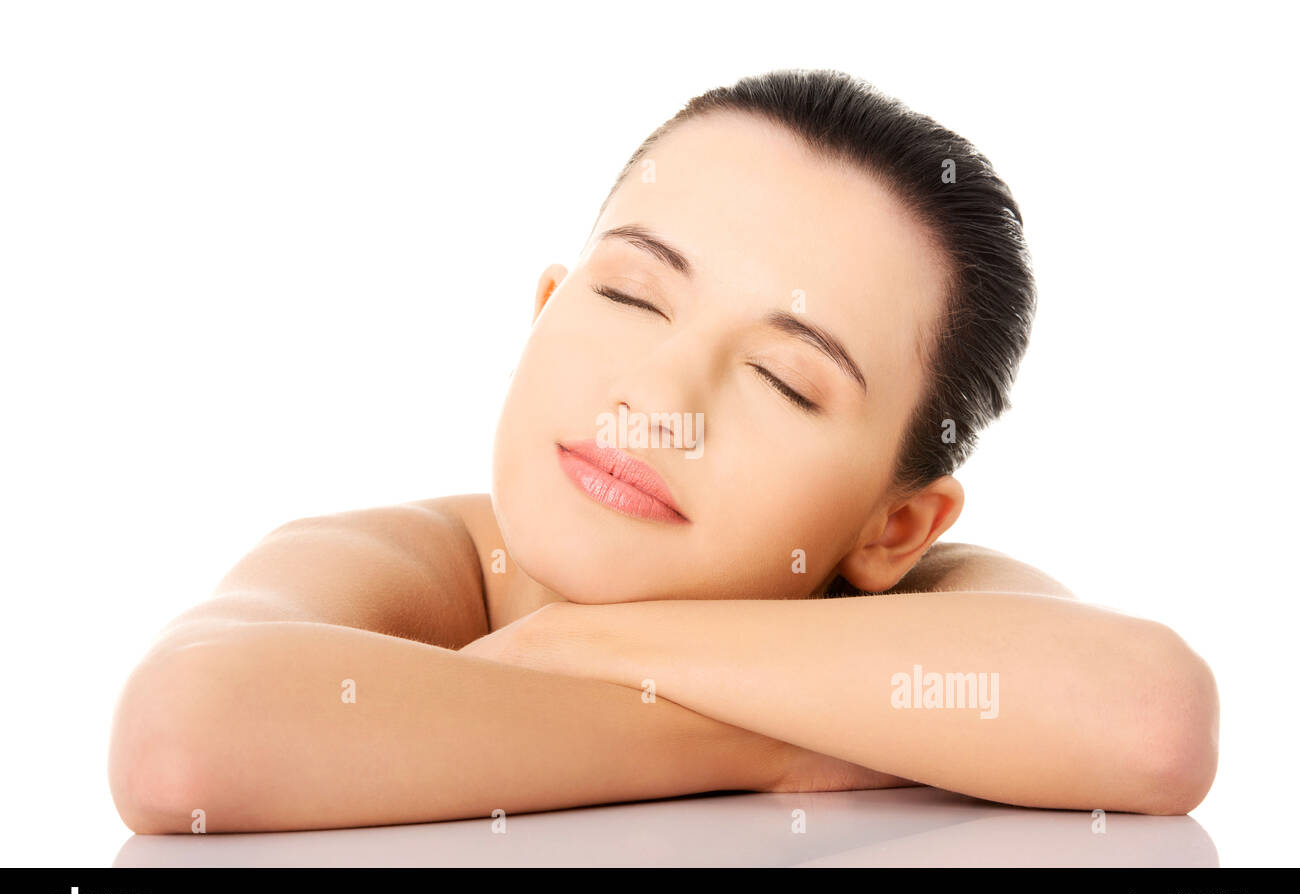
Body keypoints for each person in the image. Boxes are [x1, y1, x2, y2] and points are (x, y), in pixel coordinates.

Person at [108, 68, 1218, 834]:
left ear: (895, 529)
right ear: (544, 308)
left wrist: (576, 649)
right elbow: (182, 741)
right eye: (633, 295)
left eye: (785, 376)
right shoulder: (399, 557)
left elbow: (1148, 720)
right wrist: (760, 747)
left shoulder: (925, 602)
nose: (658, 399)